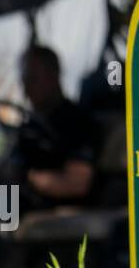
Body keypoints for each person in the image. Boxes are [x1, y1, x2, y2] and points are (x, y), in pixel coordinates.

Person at [18, 46, 100, 211]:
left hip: (54, 221)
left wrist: (25, 178)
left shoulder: (79, 123)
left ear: (53, 76)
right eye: (24, 80)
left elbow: (77, 183)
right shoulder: (30, 125)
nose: (26, 89)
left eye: (33, 79)